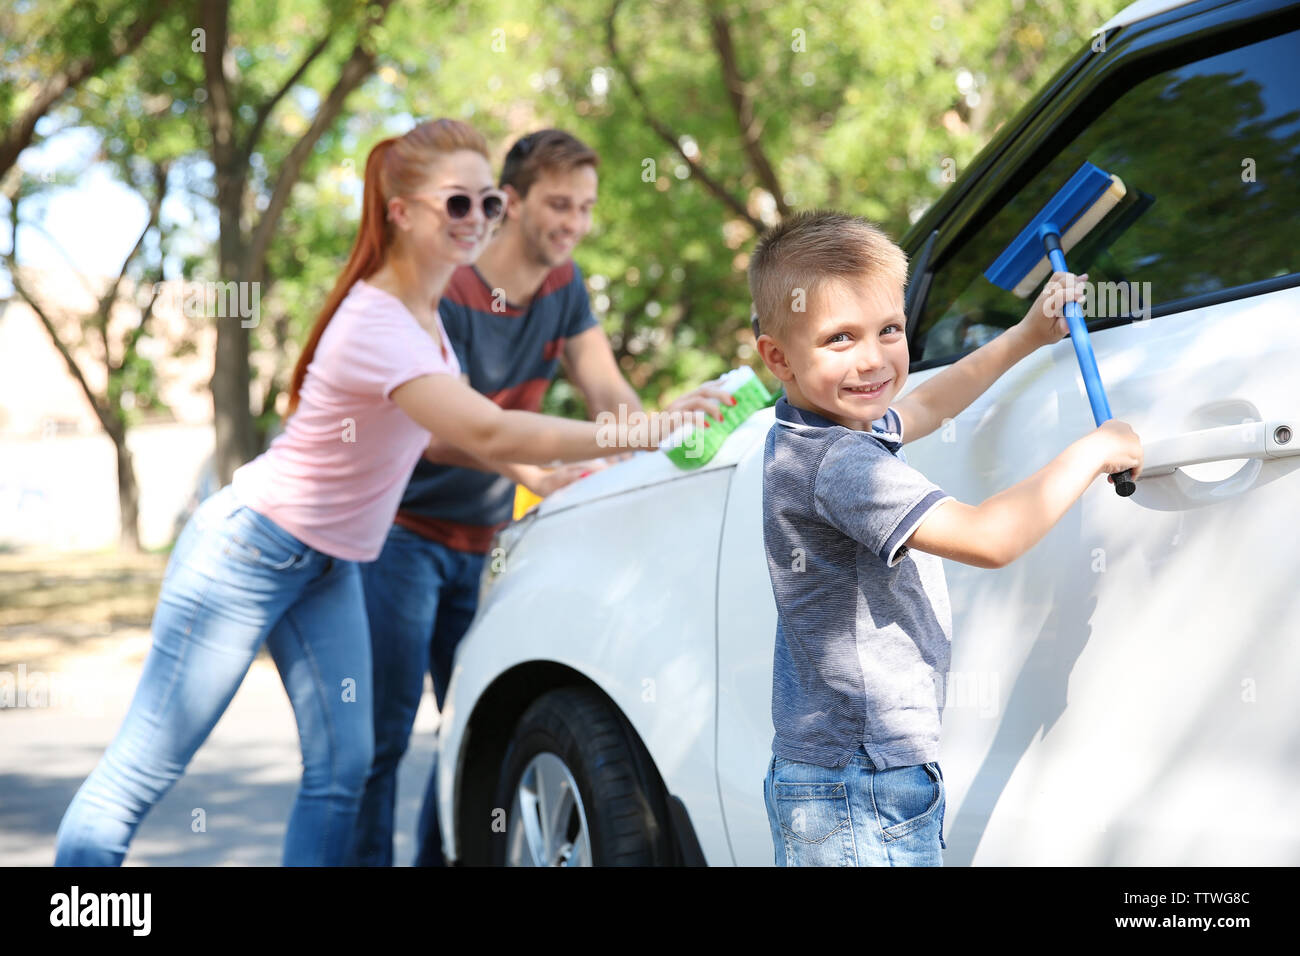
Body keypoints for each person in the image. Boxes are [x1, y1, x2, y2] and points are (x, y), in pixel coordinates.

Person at [52, 118, 682, 867]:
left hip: (332, 567)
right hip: (250, 550)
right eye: (457, 204)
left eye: (485, 204)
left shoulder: (428, 309)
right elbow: (487, 432)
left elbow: (458, 432)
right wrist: (641, 433)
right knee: (143, 772)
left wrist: (571, 463)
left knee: (344, 771)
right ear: (402, 210)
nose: (476, 220)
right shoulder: (378, 317)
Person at [348, 128, 733, 866]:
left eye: (586, 208)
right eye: (560, 204)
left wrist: (656, 424)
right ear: (511, 202)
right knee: (383, 739)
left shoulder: (565, 285)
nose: (574, 223)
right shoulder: (451, 288)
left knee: (467, 728)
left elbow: (606, 393)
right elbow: (441, 432)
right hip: (402, 535)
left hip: (485, 541)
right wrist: (533, 470)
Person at [751, 210, 1142, 866]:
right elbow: (989, 537)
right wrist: (1093, 451)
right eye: (840, 339)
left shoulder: (822, 427)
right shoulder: (840, 464)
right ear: (778, 357)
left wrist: (1024, 337)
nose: (874, 359)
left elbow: (931, 403)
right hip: (861, 782)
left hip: (849, 772)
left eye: (889, 330)